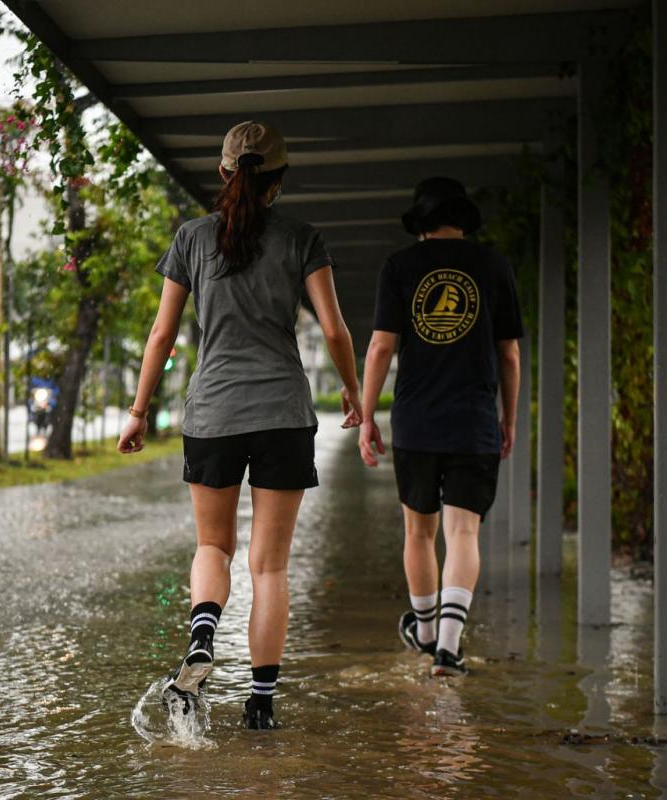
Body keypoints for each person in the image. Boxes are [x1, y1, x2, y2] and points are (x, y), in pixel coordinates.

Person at [118, 121, 362, 729]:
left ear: (225, 173)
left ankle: (203, 635)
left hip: (214, 412)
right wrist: (355, 394)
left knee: (212, 545)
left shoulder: (194, 238)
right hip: (282, 413)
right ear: (278, 179)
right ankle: (260, 703)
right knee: (270, 566)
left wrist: (138, 410)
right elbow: (334, 329)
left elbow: (162, 333)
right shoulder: (302, 238)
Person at [356, 176, 524, 677]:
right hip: (473, 420)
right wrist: (507, 419)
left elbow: (381, 347)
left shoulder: (400, 266)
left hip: (416, 421)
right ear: (463, 221)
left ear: (422, 226)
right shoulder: (493, 266)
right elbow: (509, 355)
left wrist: (367, 417)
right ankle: (449, 648)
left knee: (419, 530)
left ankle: (426, 633)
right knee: (463, 530)